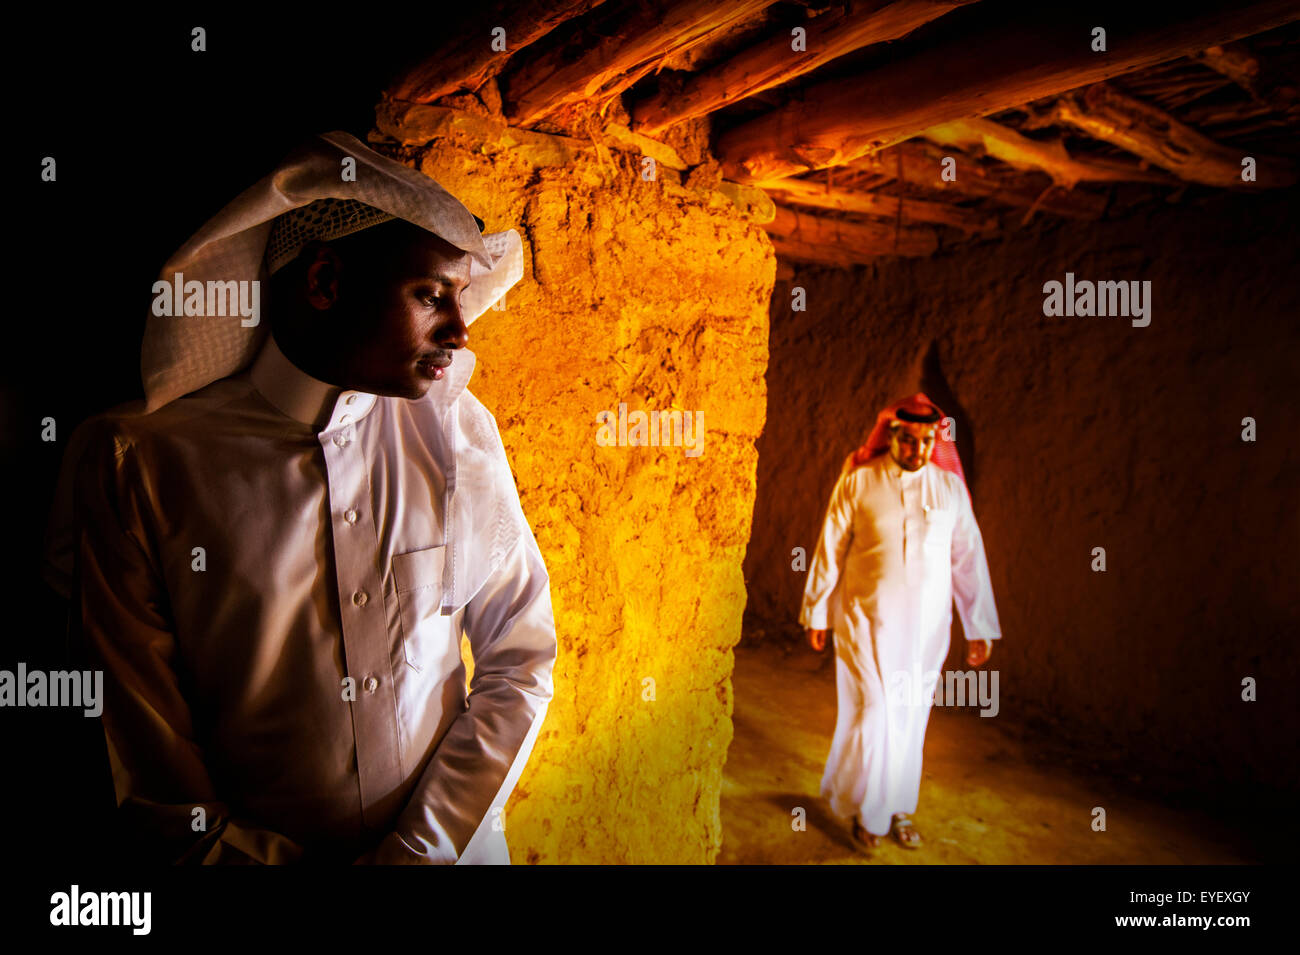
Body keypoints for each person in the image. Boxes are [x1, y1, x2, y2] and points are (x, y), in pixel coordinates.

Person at [41, 131, 557, 865]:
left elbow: (522, 654)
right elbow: (145, 762)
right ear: (324, 282)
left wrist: (421, 851)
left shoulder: (457, 433)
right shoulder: (141, 464)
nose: (459, 328)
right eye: (430, 293)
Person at [800, 393, 1000, 851]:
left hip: (927, 632)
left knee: (910, 718)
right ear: (891, 435)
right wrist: (817, 610)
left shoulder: (949, 491)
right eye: (908, 439)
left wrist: (979, 625)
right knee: (871, 713)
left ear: (936, 440)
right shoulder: (859, 481)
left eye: (927, 440)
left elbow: (969, 558)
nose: (917, 450)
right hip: (861, 621)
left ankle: (896, 808)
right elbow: (830, 547)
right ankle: (867, 812)